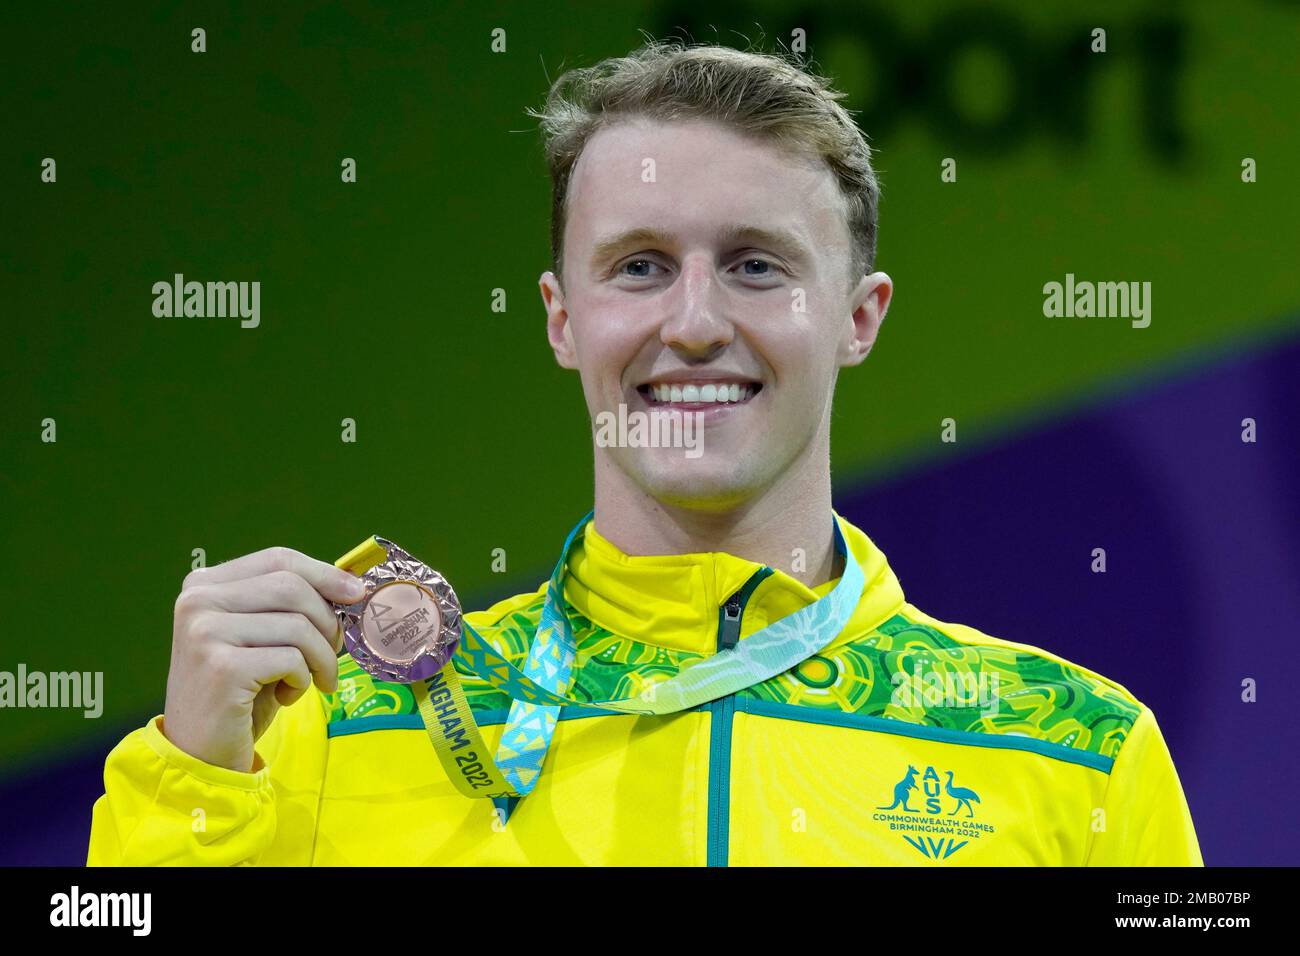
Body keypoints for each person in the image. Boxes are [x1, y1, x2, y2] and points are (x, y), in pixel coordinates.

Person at [87, 41, 1201, 866]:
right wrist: (187, 779)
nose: (696, 322)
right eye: (638, 266)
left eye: (757, 265)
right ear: (560, 316)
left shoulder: (1076, 752)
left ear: (858, 318)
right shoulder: (337, 718)